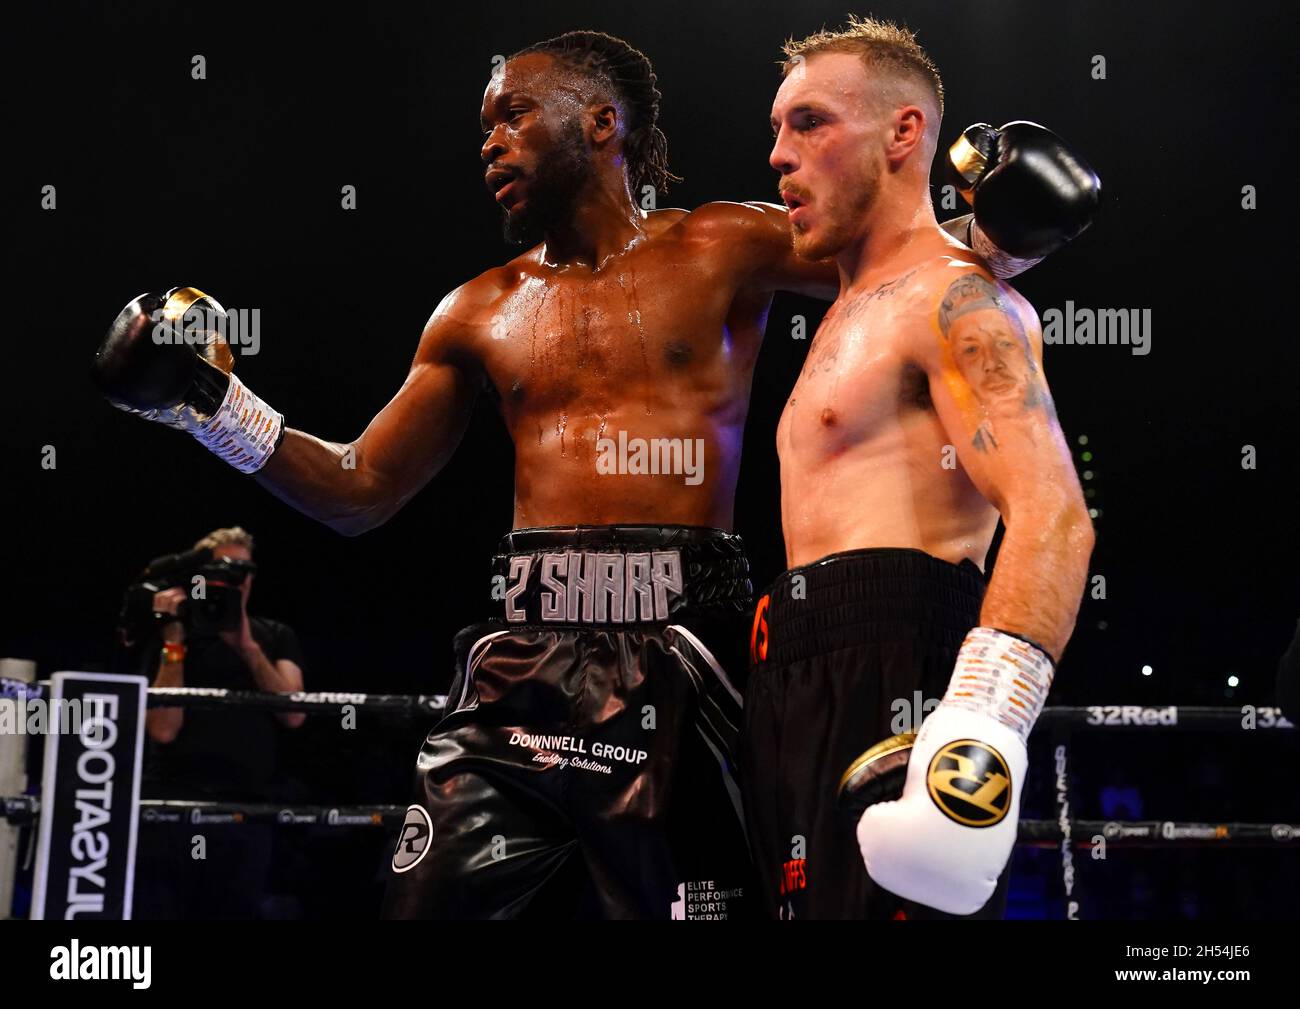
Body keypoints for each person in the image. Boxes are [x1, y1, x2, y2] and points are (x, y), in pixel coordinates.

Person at [93, 30, 1090, 919]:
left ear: (600, 122)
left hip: (688, 648)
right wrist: (211, 407)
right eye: (484, 125)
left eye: (513, 114)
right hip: (518, 658)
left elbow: (899, 256)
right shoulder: (474, 310)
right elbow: (361, 487)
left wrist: (1004, 227)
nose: (488, 142)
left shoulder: (726, 244)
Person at [742, 16, 1097, 920]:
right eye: (777, 129)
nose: (779, 155)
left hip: (900, 659)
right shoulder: (855, 302)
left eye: (810, 123)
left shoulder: (960, 299)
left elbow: (1055, 516)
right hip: (789, 665)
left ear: (905, 133)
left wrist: (982, 729)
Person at [136, 526, 307, 918]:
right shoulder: (170, 636)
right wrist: (174, 641)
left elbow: (295, 713)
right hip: (173, 807)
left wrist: (246, 646)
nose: (234, 581)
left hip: (246, 810)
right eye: (223, 570)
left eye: (242, 571)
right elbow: (162, 729)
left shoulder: (276, 636)